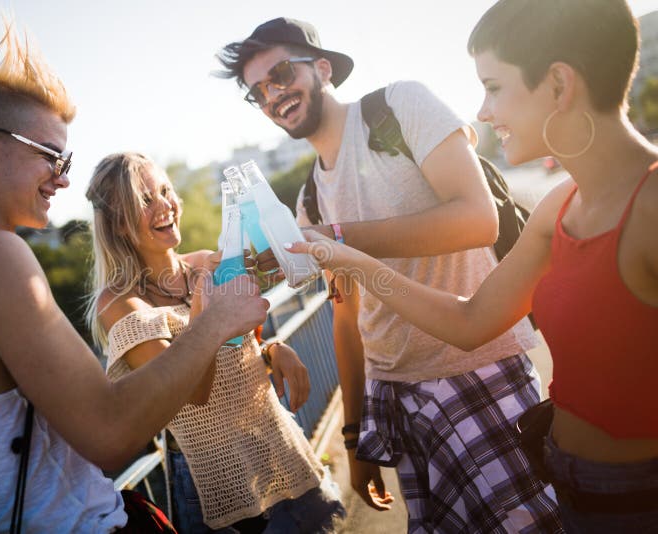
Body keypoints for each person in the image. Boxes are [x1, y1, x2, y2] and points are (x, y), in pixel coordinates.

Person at [0, 22, 269, 532]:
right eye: (50, 155)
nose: (63, 176)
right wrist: (215, 322)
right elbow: (110, 431)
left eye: (68, 160)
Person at [287, 0, 658, 531]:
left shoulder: (651, 206)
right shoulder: (559, 207)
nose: (482, 112)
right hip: (569, 484)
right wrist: (347, 257)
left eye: (494, 86)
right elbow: (469, 322)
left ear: (558, 84)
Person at [217, 17, 563, 533]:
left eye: (281, 73)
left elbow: (477, 218)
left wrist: (337, 238)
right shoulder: (307, 199)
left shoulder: (400, 106)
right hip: (395, 399)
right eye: (258, 92)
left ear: (323, 68)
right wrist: (355, 438)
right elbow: (347, 318)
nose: (272, 95)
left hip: (478, 368)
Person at [84, 152, 345, 533]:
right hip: (214, 479)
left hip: (276, 450)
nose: (164, 205)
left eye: (165, 190)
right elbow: (193, 391)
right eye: (144, 200)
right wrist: (204, 318)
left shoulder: (208, 261)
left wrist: (272, 350)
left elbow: (239, 342)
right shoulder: (119, 303)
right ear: (119, 224)